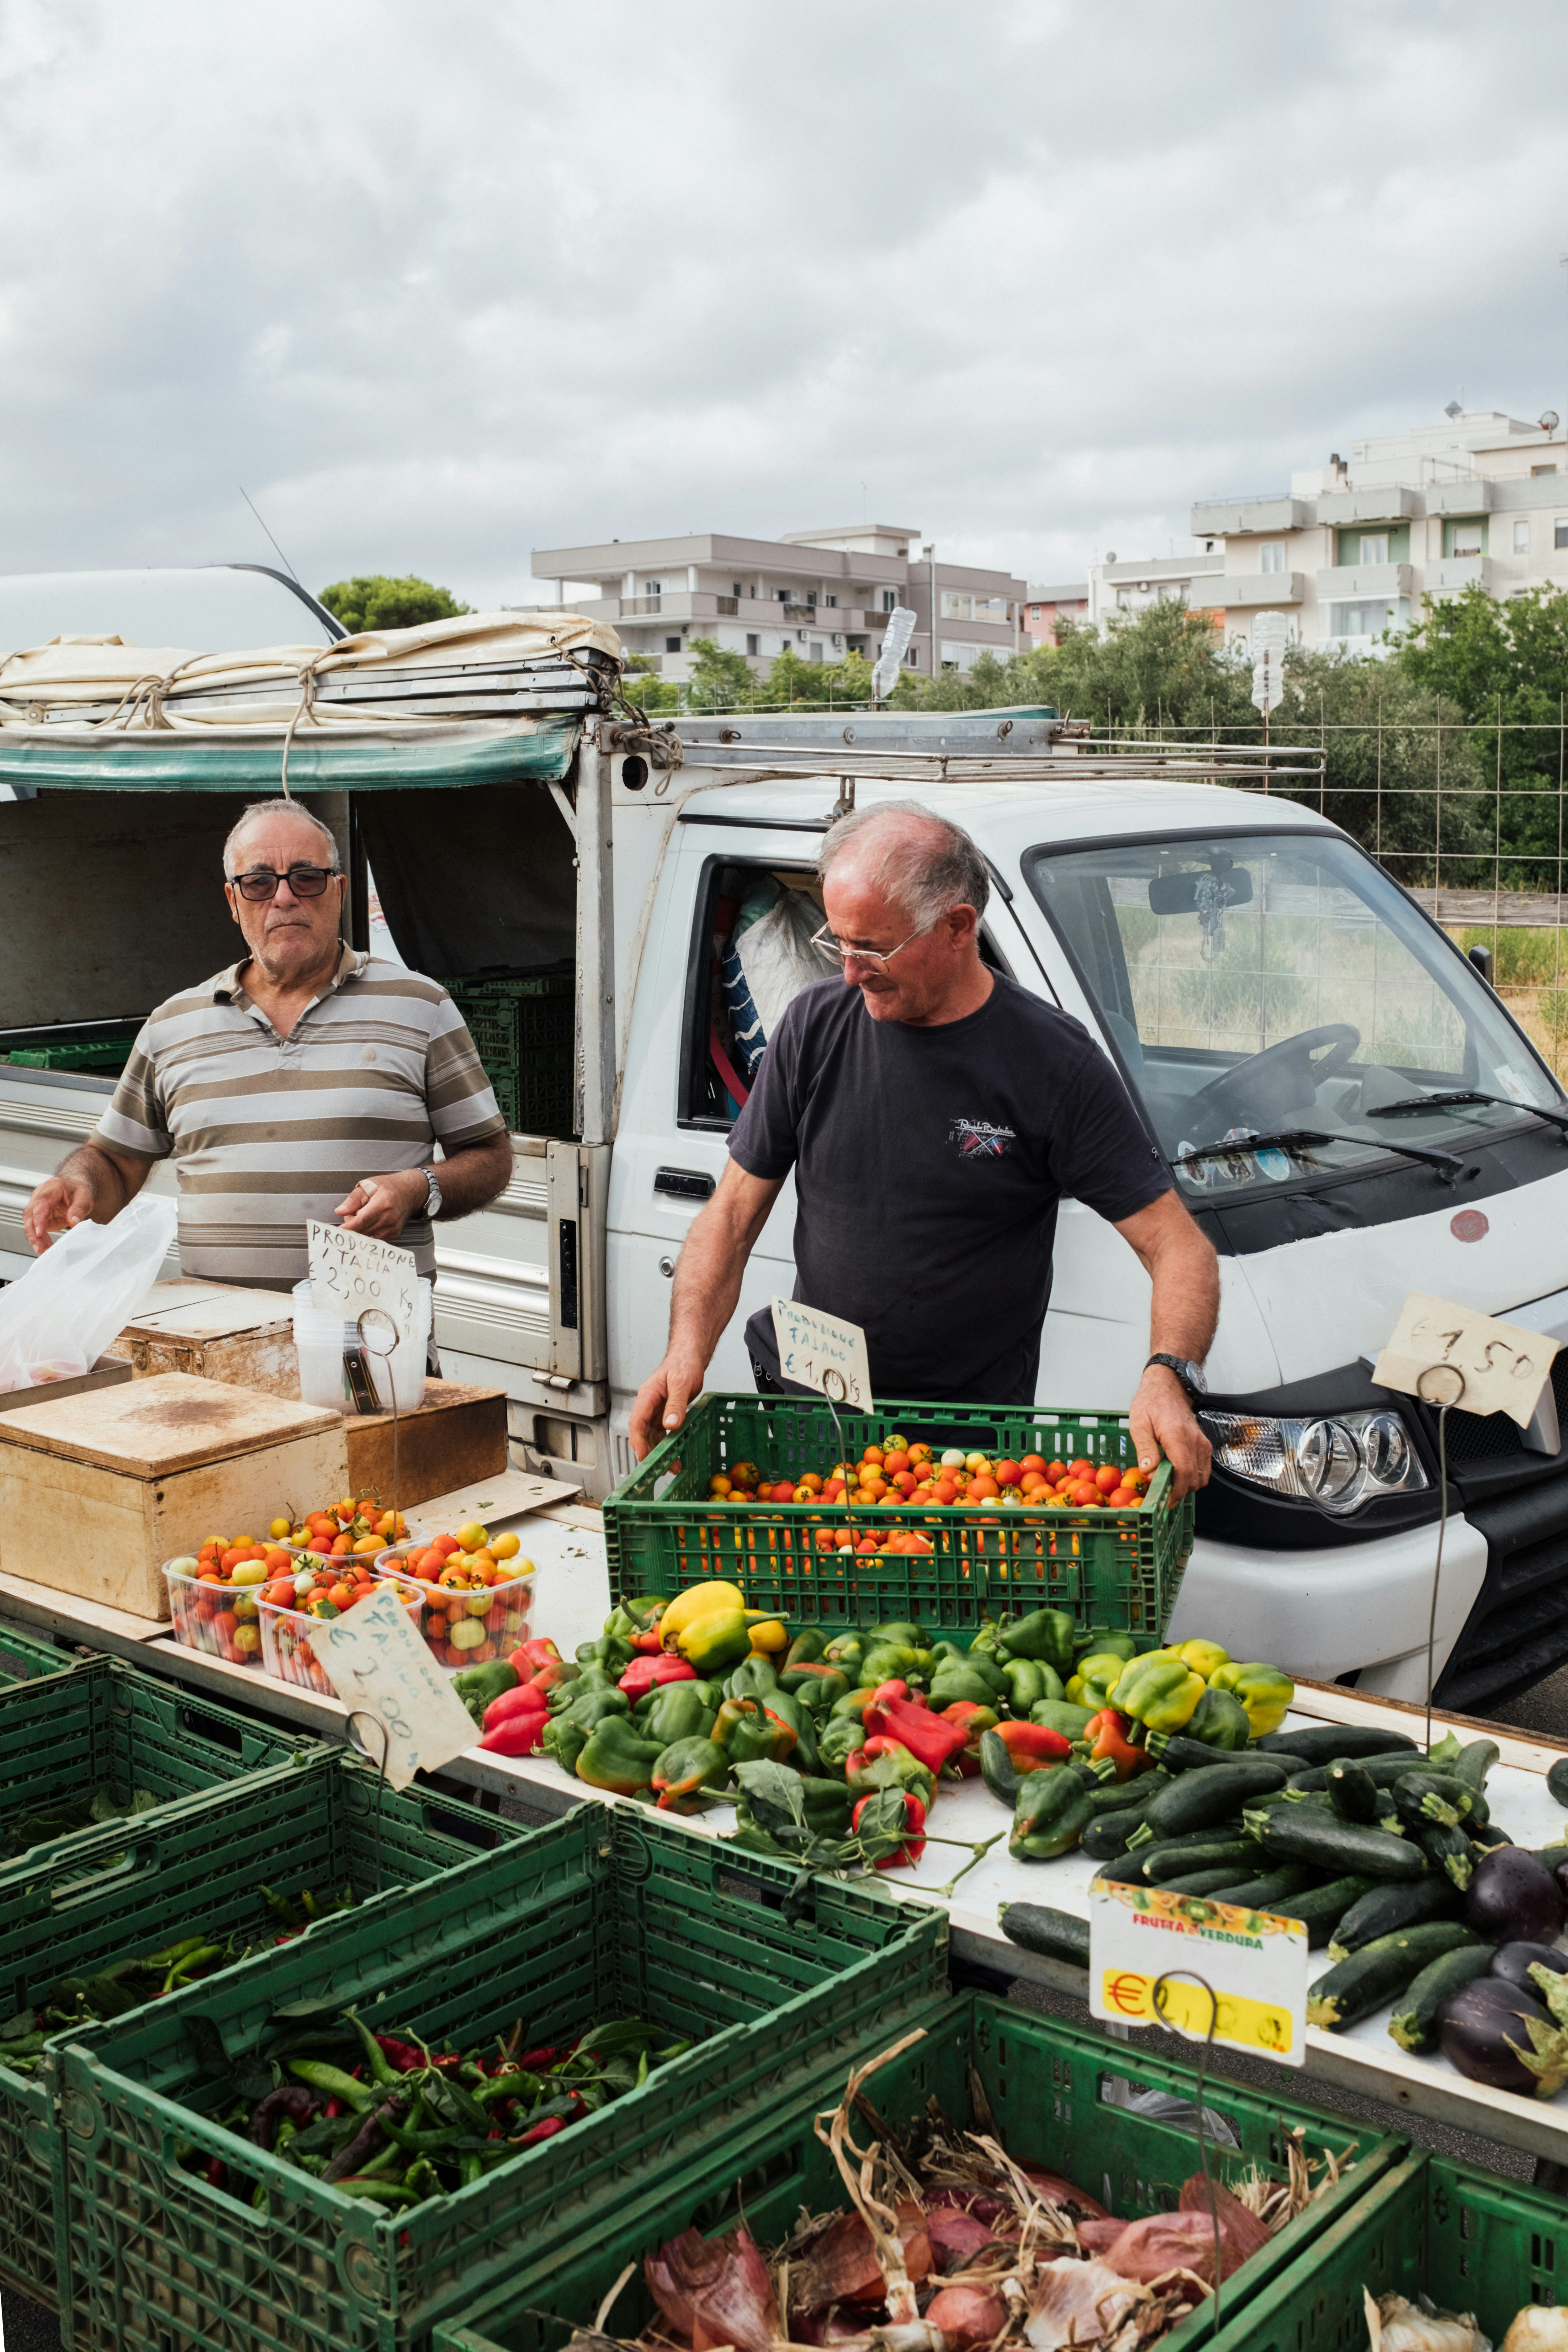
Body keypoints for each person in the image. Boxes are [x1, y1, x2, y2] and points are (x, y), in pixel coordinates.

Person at [630, 799, 1219, 1494]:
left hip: (964, 1453)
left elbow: (1177, 1246)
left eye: (872, 948)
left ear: (958, 926)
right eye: (838, 944)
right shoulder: (814, 1027)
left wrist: (1168, 1378)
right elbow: (729, 1216)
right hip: (818, 1418)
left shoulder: (1052, 1063)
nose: (850, 972)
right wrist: (685, 1352)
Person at [24, 796, 515, 1288]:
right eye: (259, 882)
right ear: (234, 903)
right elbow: (115, 1161)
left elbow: (490, 1156)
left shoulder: (419, 1006)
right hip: (219, 1347)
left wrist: (418, 1187)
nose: (284, 898)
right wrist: (79, 1184)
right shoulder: (172, 1025)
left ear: (339, 892)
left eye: (307, 877)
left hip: (373, 1348)